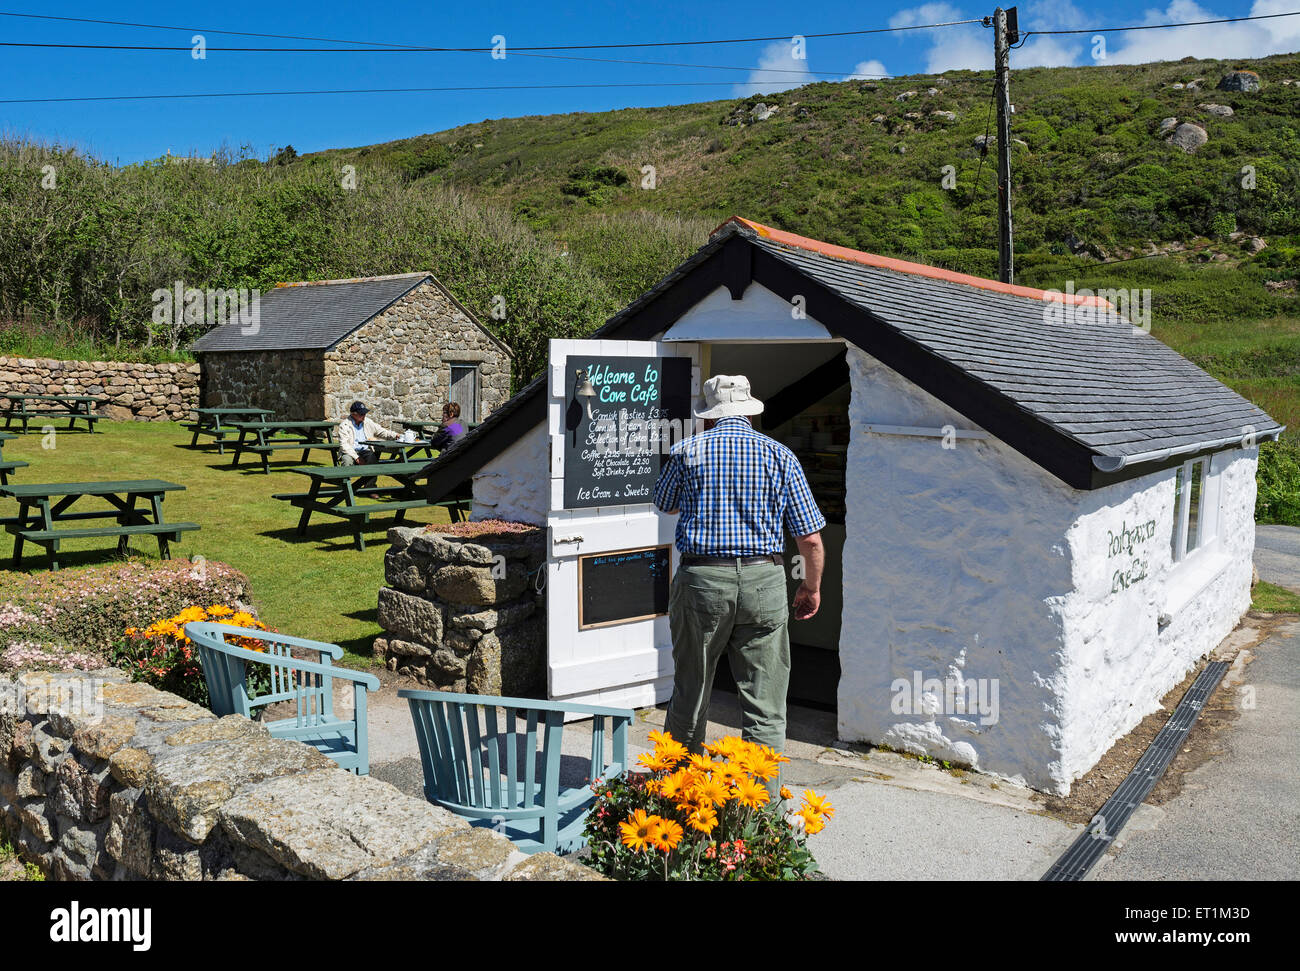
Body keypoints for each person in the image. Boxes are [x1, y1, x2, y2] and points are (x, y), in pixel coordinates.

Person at [653, 374, 826, 773]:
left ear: (711, 416)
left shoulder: (687, 451)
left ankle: (677, 800)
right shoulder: (780, 455)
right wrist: (811, 587)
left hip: (702, 580)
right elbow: (811, 541)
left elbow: (666, 504)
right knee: (764, 703)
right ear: (749, 410)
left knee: (690, 690)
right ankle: (760, 815)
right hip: (764, 580)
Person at [338, 400, 400, 466]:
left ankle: (369, 477)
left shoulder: (368, 422)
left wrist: (395, 435)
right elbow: (344, 445)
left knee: (373, 460)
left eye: (364, 413)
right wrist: (357, 457)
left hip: (365, 451)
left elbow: (381, 431)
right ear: (353, 414)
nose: (364, 415)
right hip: (350, 452)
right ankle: (345, 476)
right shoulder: (344, 425)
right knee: (347, 461)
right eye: (361, 414)